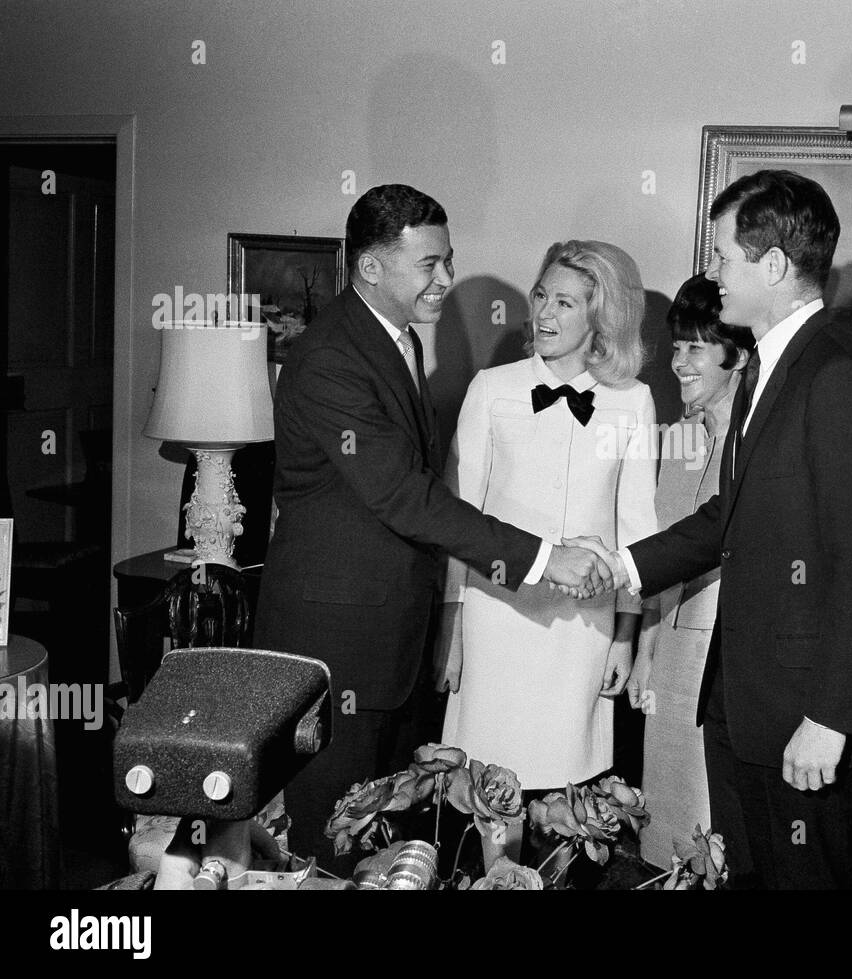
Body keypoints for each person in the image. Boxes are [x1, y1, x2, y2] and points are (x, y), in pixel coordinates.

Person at [569, 170, 852, 889]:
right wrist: (626, 566)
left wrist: (831, 716)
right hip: (740, 709)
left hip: (803, 720)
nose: (713, 272)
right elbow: (731, 515)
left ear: (775, 266)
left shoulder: (842, 376)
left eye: (724, 256)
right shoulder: (762, 373)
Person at [254, 186, 612, 870]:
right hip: (337, 644)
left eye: (449, 260)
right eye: (429, 264)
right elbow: (404, 495)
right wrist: (542, 557)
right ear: (370, 269)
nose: (445, 278)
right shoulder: (331, 355)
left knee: (382, 849)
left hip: (385, 639)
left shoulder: (394, 343)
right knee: (326, 843)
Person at [434, 239, 658, 862]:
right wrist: (450, 631)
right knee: (487, 788)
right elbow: (459, 523)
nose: (545, 313)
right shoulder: (491, 388)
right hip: (493, 620)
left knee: (565, 795)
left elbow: (636, 533)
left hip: (579, 632)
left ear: (600, 316)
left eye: (565, 301)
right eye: (541, 296)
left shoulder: (633, 402)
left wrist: (625, 634)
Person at [626, 274, 753, 870]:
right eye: (676, 346)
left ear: (739, 357)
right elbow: (662, 556)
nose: (679, 362)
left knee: (721, 834)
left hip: (731, 669)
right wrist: (644, 654)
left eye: (695, 348)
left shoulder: (761, 445)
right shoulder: (678, 438)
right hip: (672, 665)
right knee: (667, 834)